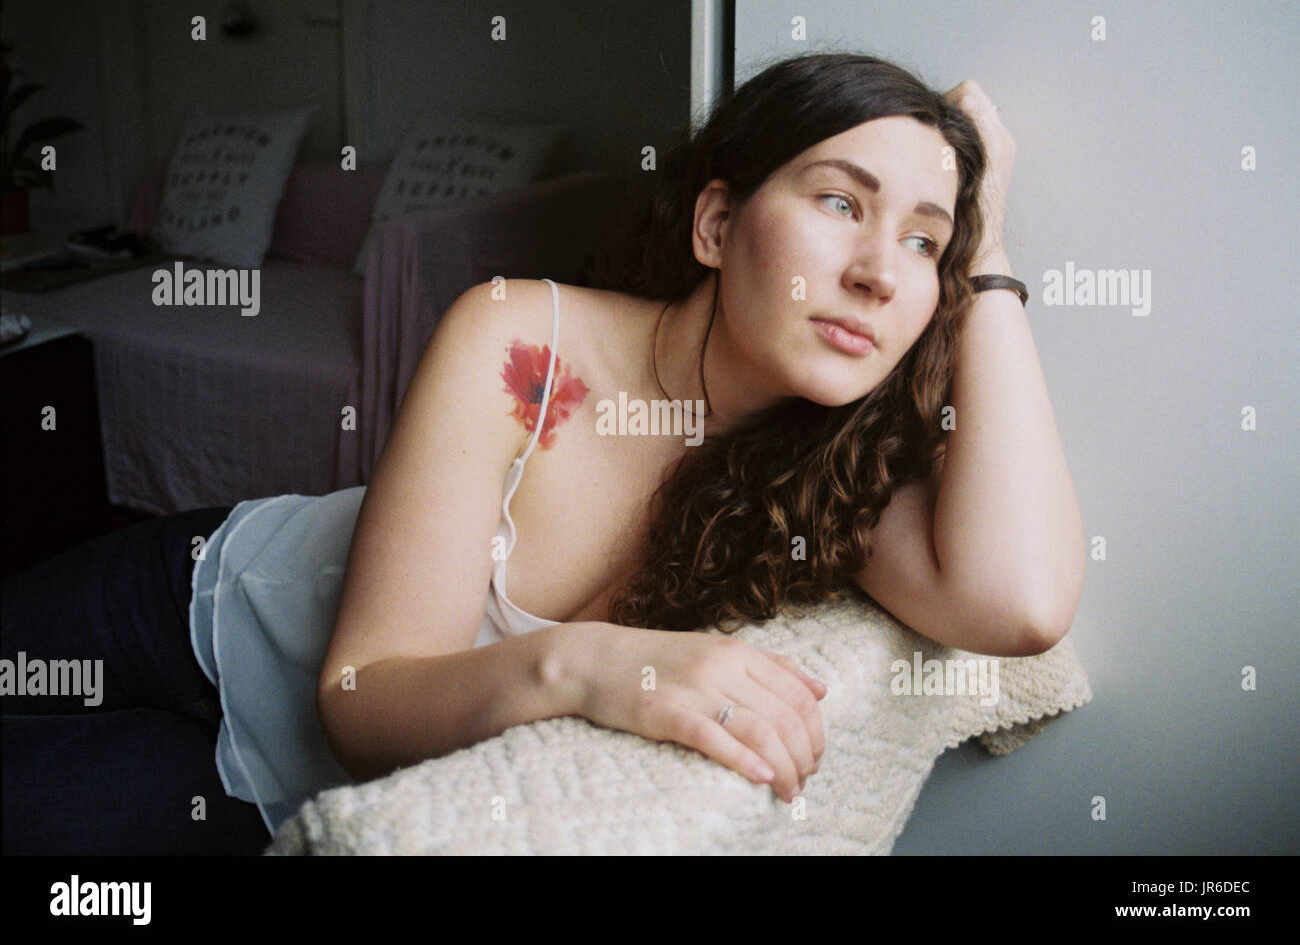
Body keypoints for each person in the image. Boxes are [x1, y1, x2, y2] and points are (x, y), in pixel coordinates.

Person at [2, 52, 1082, 855]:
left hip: (259, 787)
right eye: (841, 201)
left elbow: (1022, 604)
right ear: (716, 224)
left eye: (923, 240)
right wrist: (592, 665)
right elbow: (362, 688)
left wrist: (987, 262)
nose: (879, 272)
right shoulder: (522, 336)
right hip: (199, 598)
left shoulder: (830, 477)